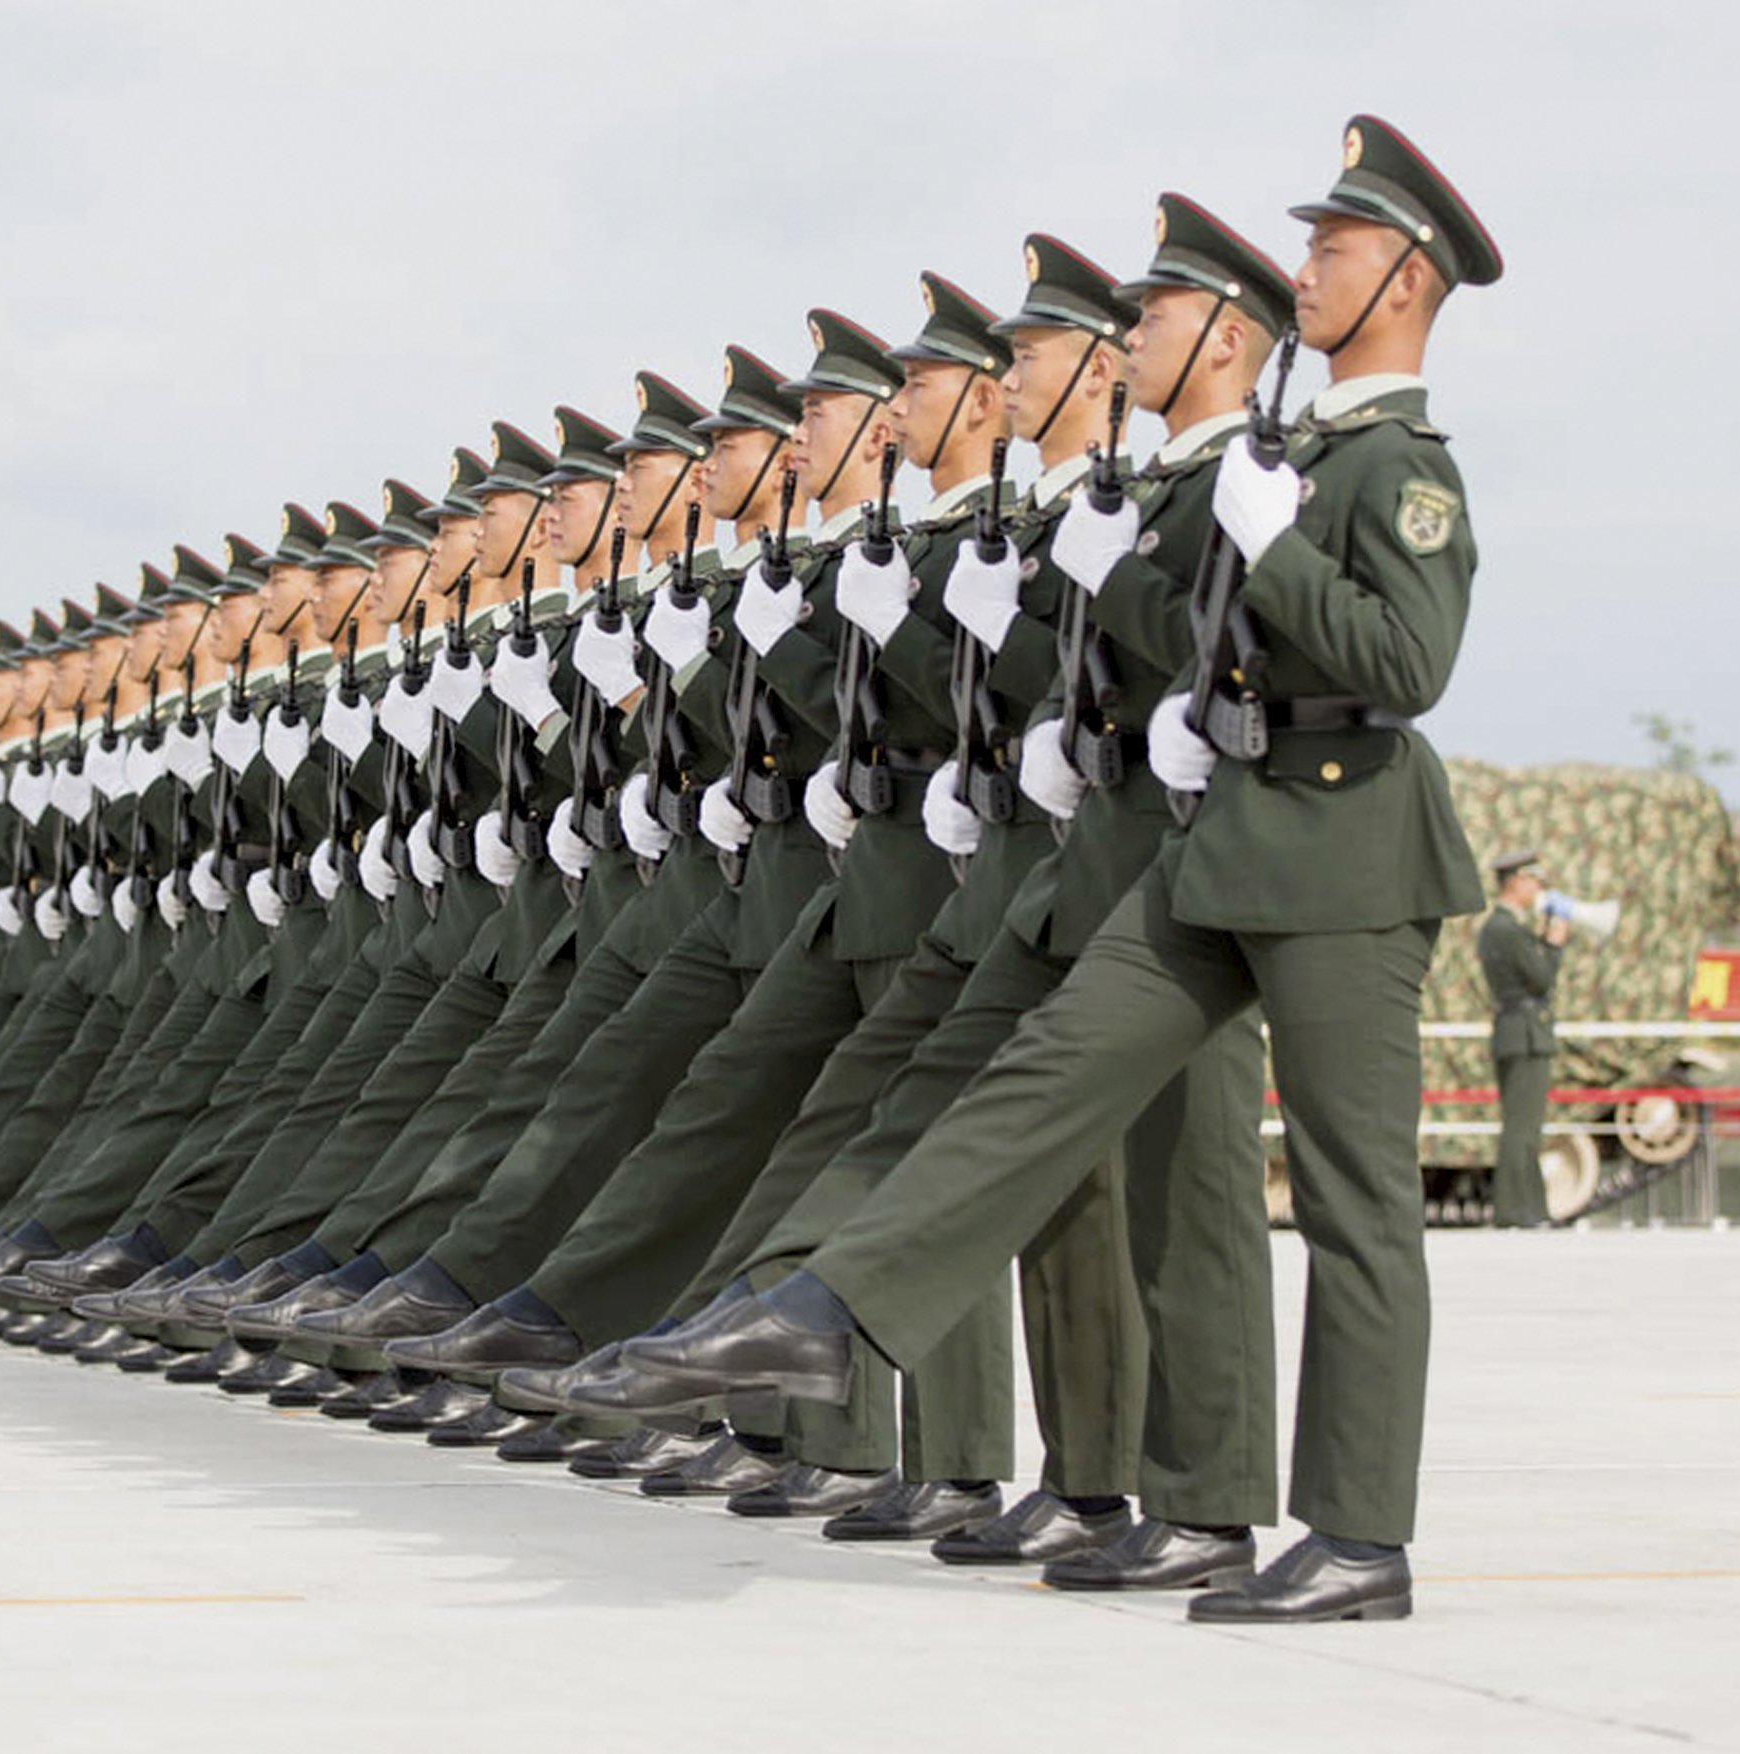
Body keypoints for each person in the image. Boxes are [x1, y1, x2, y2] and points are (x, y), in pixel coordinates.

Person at [615, 113, 1503, 1625]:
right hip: (1226, 838)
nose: (1308, 271)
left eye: (1333, 250)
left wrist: (1270, 550)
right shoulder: (1286, 464)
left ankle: (1357, 1536)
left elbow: (1405, 664)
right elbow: (1177, 643)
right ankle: (827, 1312)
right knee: (1039, 1075)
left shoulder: (1396, 470)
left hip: (1350, 847)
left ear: (1405, 281)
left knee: (1358, 1208)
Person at [1479, 848, 1569, 1227]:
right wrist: (1552, 944)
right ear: (1516, 881)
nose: (1538, 889)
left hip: (1518, 1031)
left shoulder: (1501, 928)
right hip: (1524, 1033)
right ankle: (1517, 1210)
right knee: (1522, 1128)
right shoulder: (1505, 929)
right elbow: (1541, 978)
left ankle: (1531, 1208)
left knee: (1525, 1127)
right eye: (1534, 880)